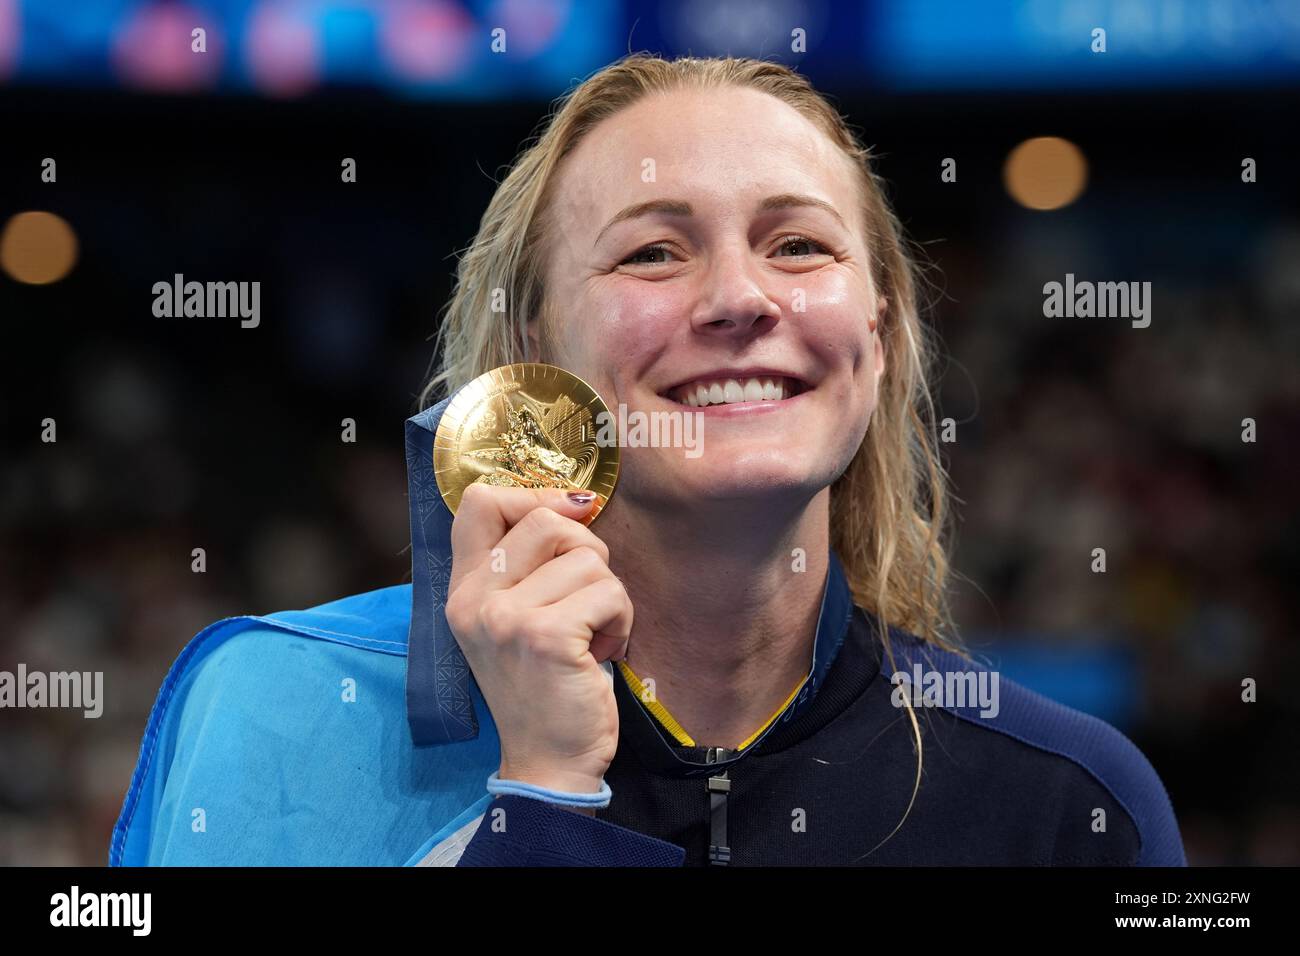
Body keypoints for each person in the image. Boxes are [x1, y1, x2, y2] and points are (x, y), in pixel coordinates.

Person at [110, 54, 1185, 867]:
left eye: (798, 243)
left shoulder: (1068, 800)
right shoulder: (277, 709)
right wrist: (542, 796)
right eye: (652, 251)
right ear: (534, 345)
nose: (737, 298)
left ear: (883, 328)